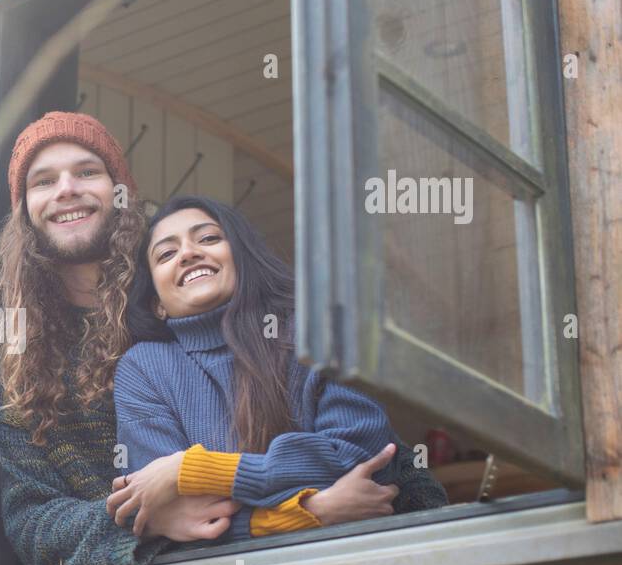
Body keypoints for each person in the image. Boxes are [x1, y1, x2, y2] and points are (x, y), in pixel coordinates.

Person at [0, 111, 446, 565]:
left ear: (120, 192)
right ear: (23, 210)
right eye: (43, 181)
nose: (67, 188)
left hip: (368, 555)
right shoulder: (22, 362)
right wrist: (149, 522)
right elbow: (31, 521)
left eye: (88, 171)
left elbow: (364, 451)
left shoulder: (192, 291)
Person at [105, 194, 445, 538]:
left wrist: (190, 468)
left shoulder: (321, 330)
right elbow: (169, 518)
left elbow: (355, 457)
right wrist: (311, 512)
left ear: (243, 258)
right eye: (166, 253)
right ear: (156, 304)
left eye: (208, 238)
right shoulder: (143, 369)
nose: (189, 253)